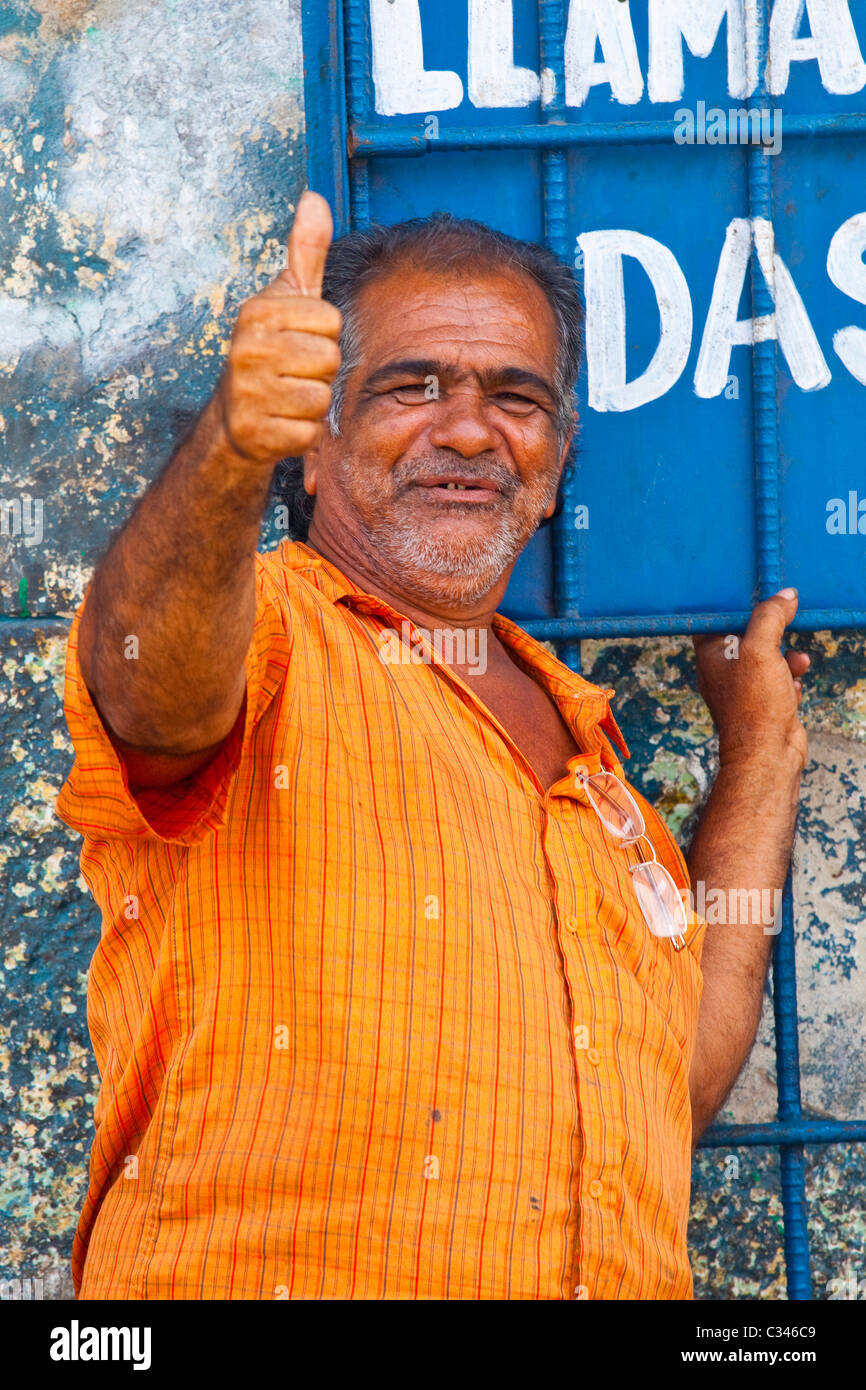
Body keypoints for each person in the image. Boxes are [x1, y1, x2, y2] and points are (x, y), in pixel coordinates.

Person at [56, 191, 809, 1300]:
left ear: (554, 467)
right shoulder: (270, 632)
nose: (466, 429)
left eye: (515, 397)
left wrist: (757, 754)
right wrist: (227, 442)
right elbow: (149, 693)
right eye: (412, 386)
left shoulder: (595, 766)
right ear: (314, 443)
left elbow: (674, 1085)